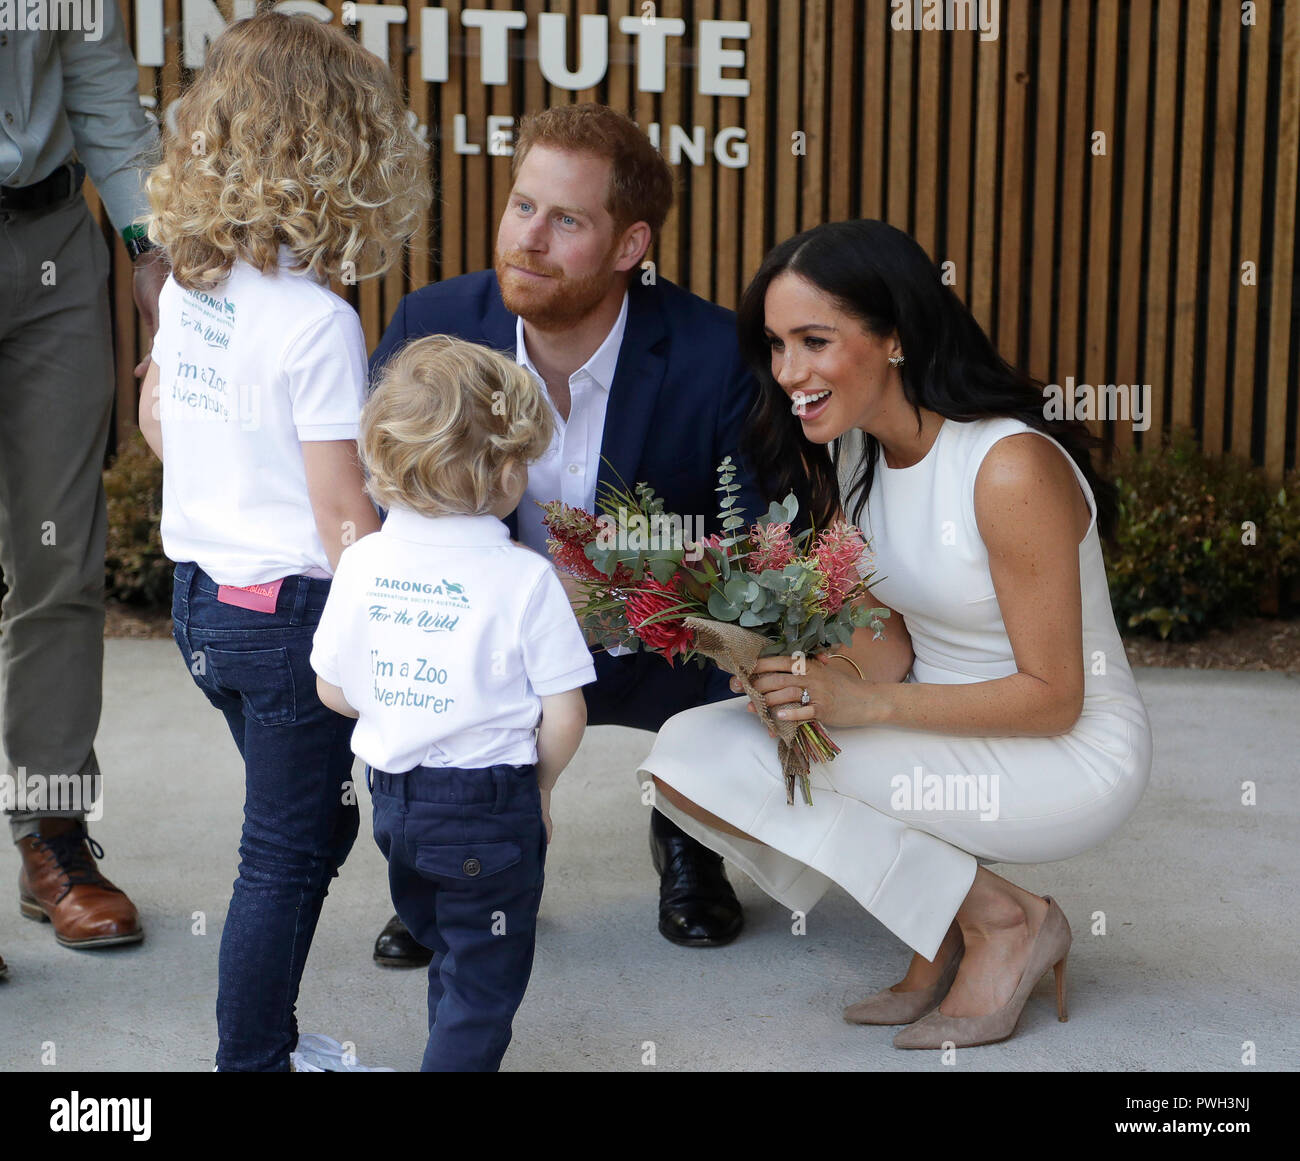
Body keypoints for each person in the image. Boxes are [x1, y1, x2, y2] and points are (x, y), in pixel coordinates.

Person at [639, 219, 1153, 1049]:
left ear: (896, 338)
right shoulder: (858, 457)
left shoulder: (1008, 467)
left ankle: (1006, 923)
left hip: (1069, 751)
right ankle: (948, 918)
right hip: (933, 719)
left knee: (743, 761)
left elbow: (1056, 699)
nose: (788, 373)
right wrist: (793, 680)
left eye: (814, 340)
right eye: (776, 344)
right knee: (688, 755)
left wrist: (862, 705)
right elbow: (886, 644)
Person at [368, 103, 765, 965]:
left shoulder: (712, 353)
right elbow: (379, 512)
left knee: (749, 637)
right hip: (487, 634)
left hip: (657, 632)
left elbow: (755, 542)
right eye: (522, 206)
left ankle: (691, 836)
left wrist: (638, 593)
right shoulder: (433, 326)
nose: (528, 240)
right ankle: (450, 868)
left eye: (567, 220)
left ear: (630, 246)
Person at [137, 11, 429, 1070]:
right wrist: (395, 634)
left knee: (304, 824)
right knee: (285, 855)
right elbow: (342, 515)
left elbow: (160, 425)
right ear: (345, 149)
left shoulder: (188, 283)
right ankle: (255, 1059)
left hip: (203, 607)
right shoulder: (315, 320)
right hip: (292, 616)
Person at [312, 336, 595, 1071]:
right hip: (489, 806)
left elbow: (331, 689)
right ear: (507, 472)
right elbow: (566, 715)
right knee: (485, 976)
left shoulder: (364, 560)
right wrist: (537, 789)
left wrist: (399, 702)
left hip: (397, 806)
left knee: (444, 937)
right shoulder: (524, 578)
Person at [1, 0, 166, 964]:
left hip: (55, 243)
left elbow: (100, 82)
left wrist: (149, 247)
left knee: (60, 561)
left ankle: (51, 833)